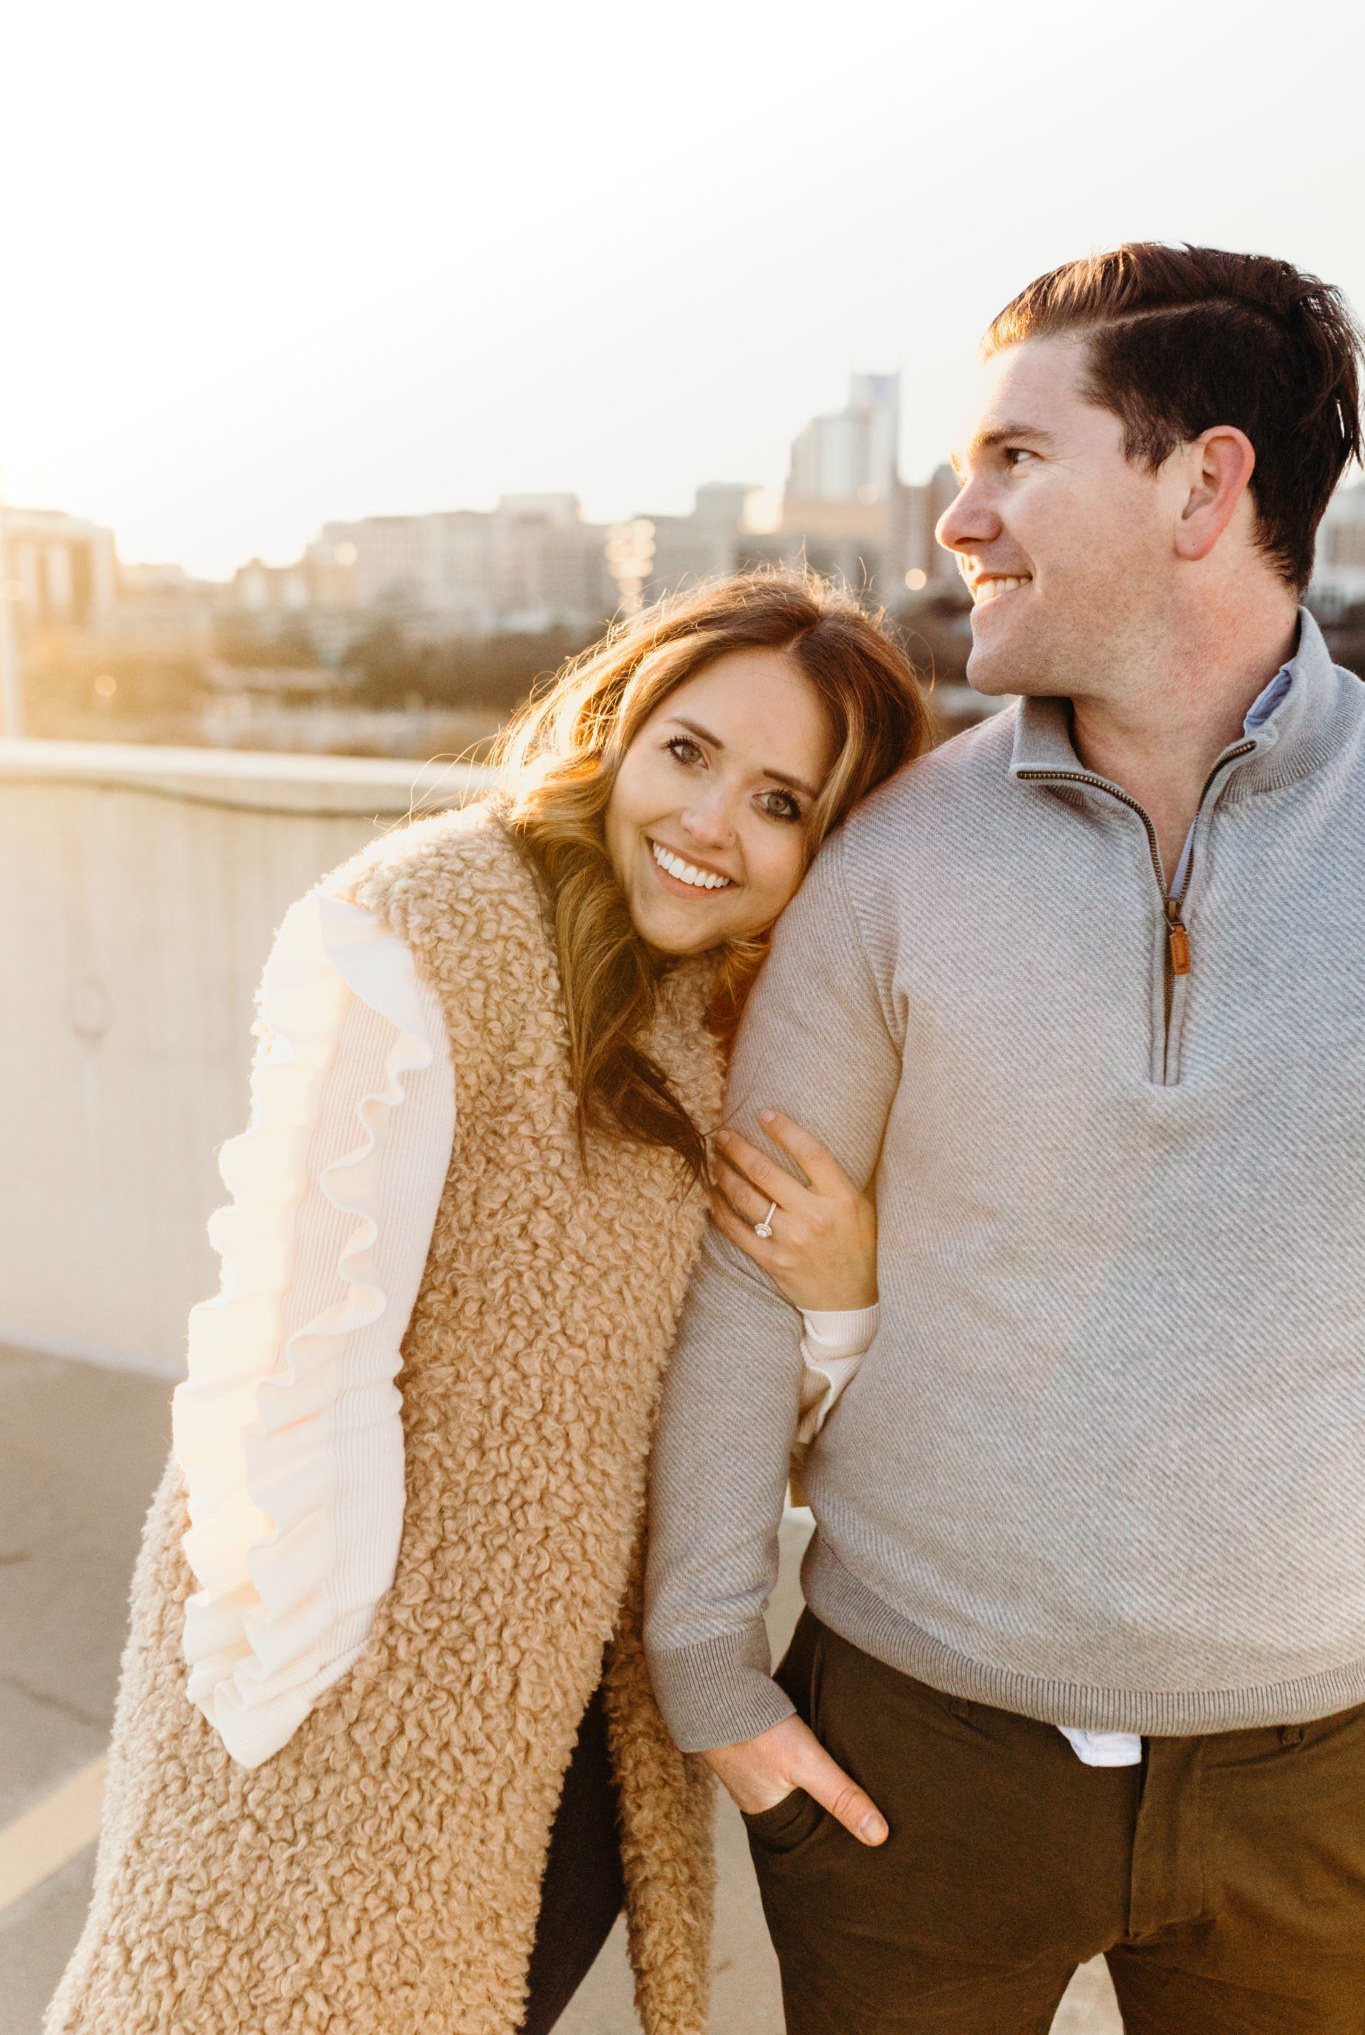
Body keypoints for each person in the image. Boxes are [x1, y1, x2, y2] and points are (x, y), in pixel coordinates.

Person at [644, 243, 1365, 2034]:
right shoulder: (889, 860)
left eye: (1018, 460)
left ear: (1205, 484)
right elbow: (748, 1267)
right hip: (918, 1768)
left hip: (1325, 1791)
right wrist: (709, 1670)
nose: (959, 517)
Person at [46, 573, 926, 2035]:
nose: (712, 826)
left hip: (571, 1739)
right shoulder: (428, 925)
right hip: (334, 1711)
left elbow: (729, 1419)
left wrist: (839, 1301)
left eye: (781, 804)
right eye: (689, 754)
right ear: (617, 728)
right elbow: (292, 1361)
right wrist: (306, 1732)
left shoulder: (728, 1028)